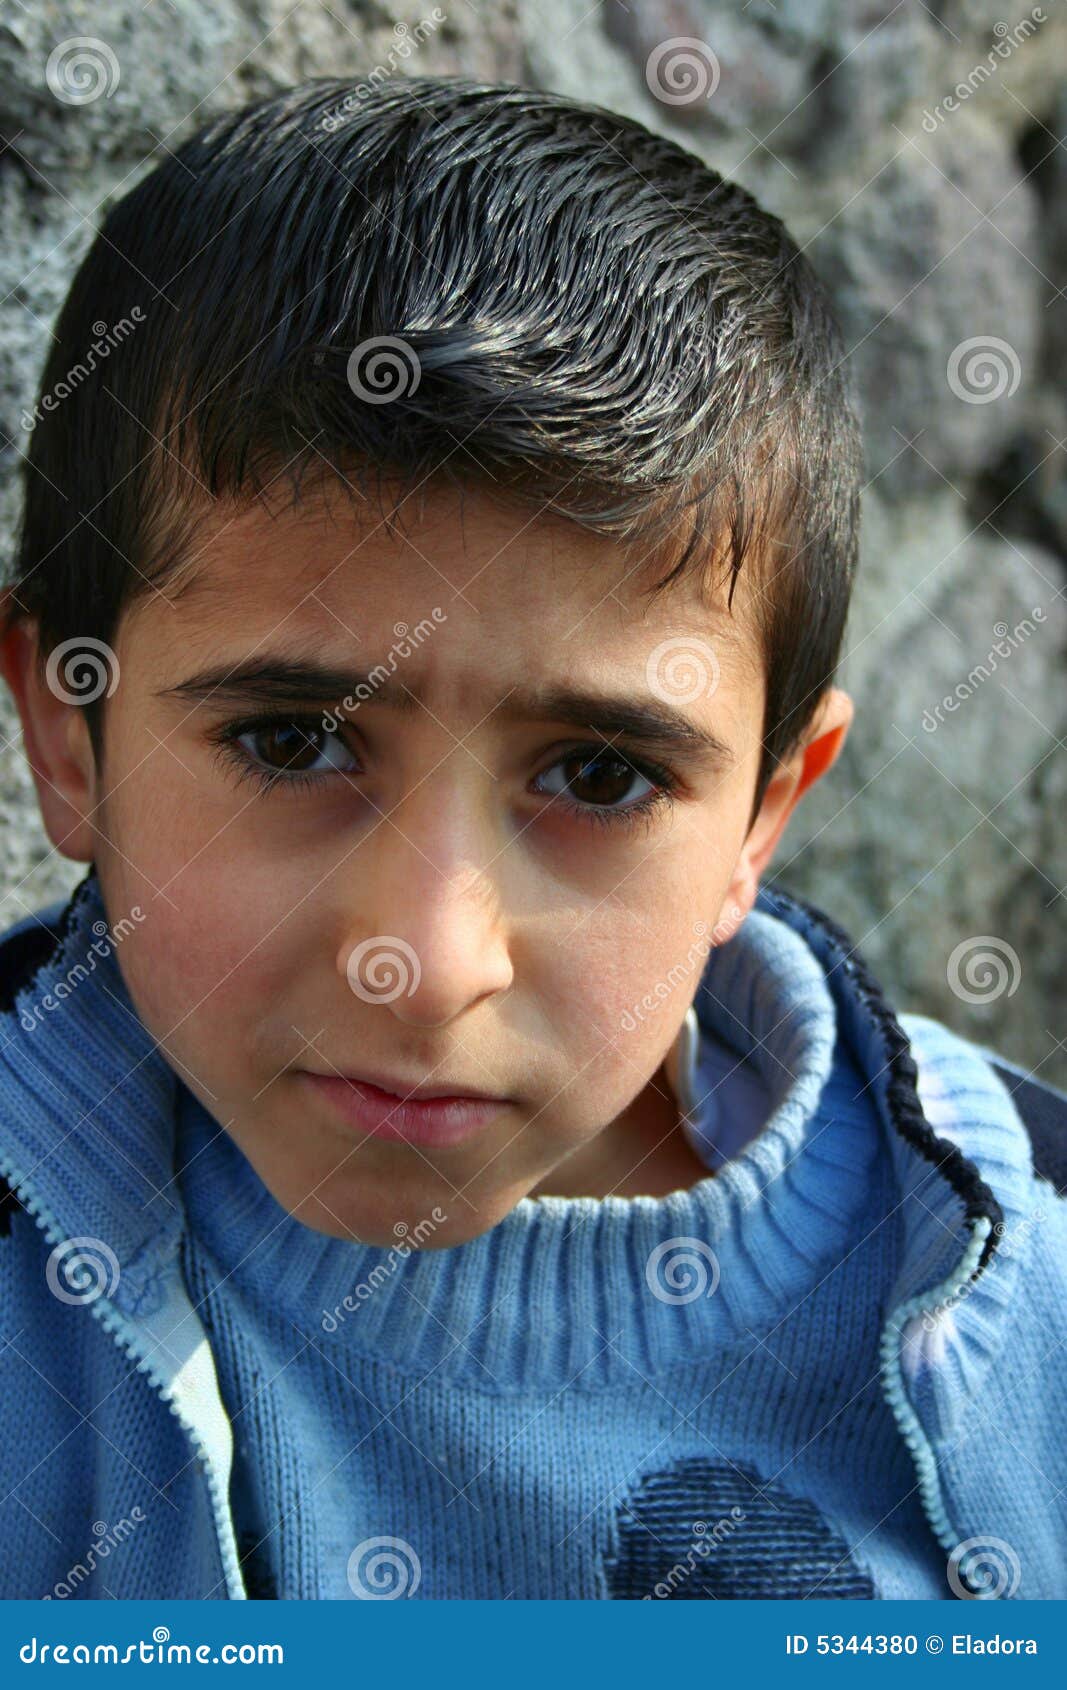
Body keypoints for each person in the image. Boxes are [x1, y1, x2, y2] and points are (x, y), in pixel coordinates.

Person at [0, 75, 1063, 1602]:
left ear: (768, 809)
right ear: (67, 735)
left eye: (602, 775)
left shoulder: (1030, 1271)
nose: (426, 967)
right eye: (293, 741)